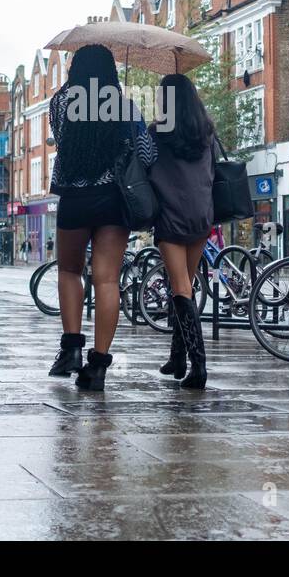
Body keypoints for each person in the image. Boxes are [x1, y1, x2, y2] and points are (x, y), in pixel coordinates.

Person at [47, 44, 157, 390]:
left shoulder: (61, 103)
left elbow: (60, 140)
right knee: (106, 280)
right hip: (114, 201)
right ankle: (98, 367)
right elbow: (146, 153)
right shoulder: (124, 106)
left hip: (75, 197)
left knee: (69, 271)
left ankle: (72, 348)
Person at [148, 73, 215, 389]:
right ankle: (178, 357)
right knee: (185, 286)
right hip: (201, 215)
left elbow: (144, 166)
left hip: (172, 216)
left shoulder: (157, 132)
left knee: (180, 288)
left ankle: (198, 367)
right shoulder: (205, 131)